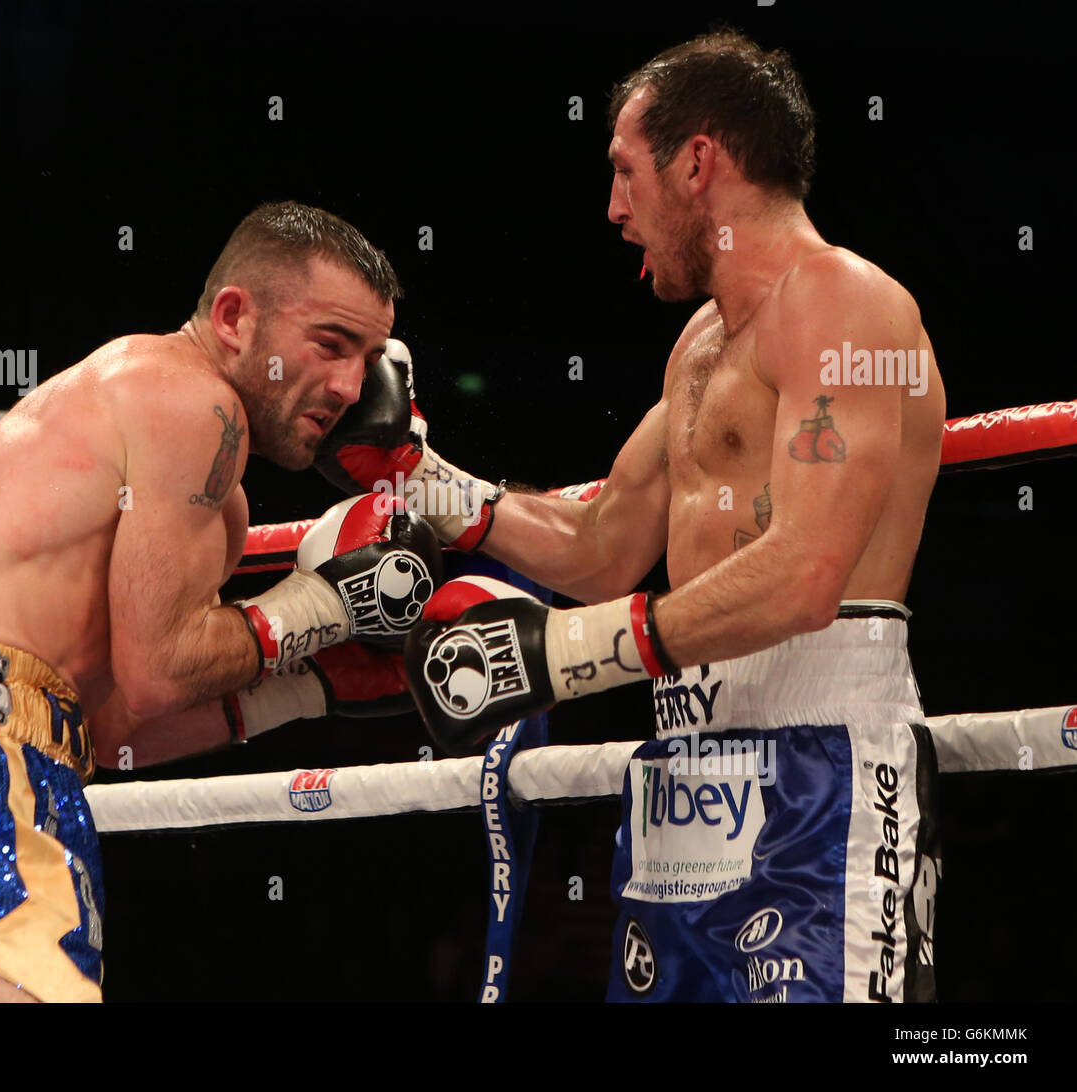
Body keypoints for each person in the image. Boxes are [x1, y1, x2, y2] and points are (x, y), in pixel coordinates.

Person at [318, 31, 947, 1002]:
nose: (613, 210)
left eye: (624, 172)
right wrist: (418, 475)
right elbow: (606, 545)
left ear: (698, 162)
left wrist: (561, 653)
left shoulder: (843, 305)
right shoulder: (699, 345)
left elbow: (804, 572)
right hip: (680, 777)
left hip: (819, 764)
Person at [0, 201, 442, 1003]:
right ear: (233, 318)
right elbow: (159, 668)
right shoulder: (187, 399)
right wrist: (326, 604)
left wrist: (309, 687)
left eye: (368, 356)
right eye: (329, 344)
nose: (352, 385)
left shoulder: (219, 504)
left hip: (4, 764)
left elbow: (114, 727)